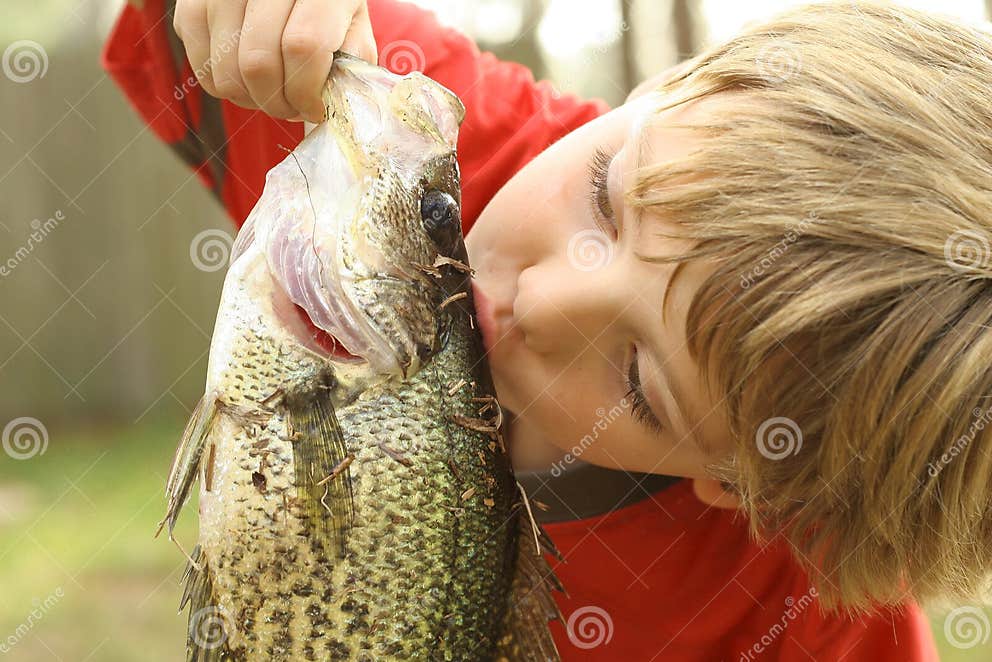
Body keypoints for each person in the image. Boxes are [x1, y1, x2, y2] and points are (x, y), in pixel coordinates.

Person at [103, 0, 992, 658]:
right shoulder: (400, 141)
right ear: (664, 88)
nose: (544, 300)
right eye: (605, 195)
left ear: (744, 487)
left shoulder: (805, 627)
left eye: (641, 382)